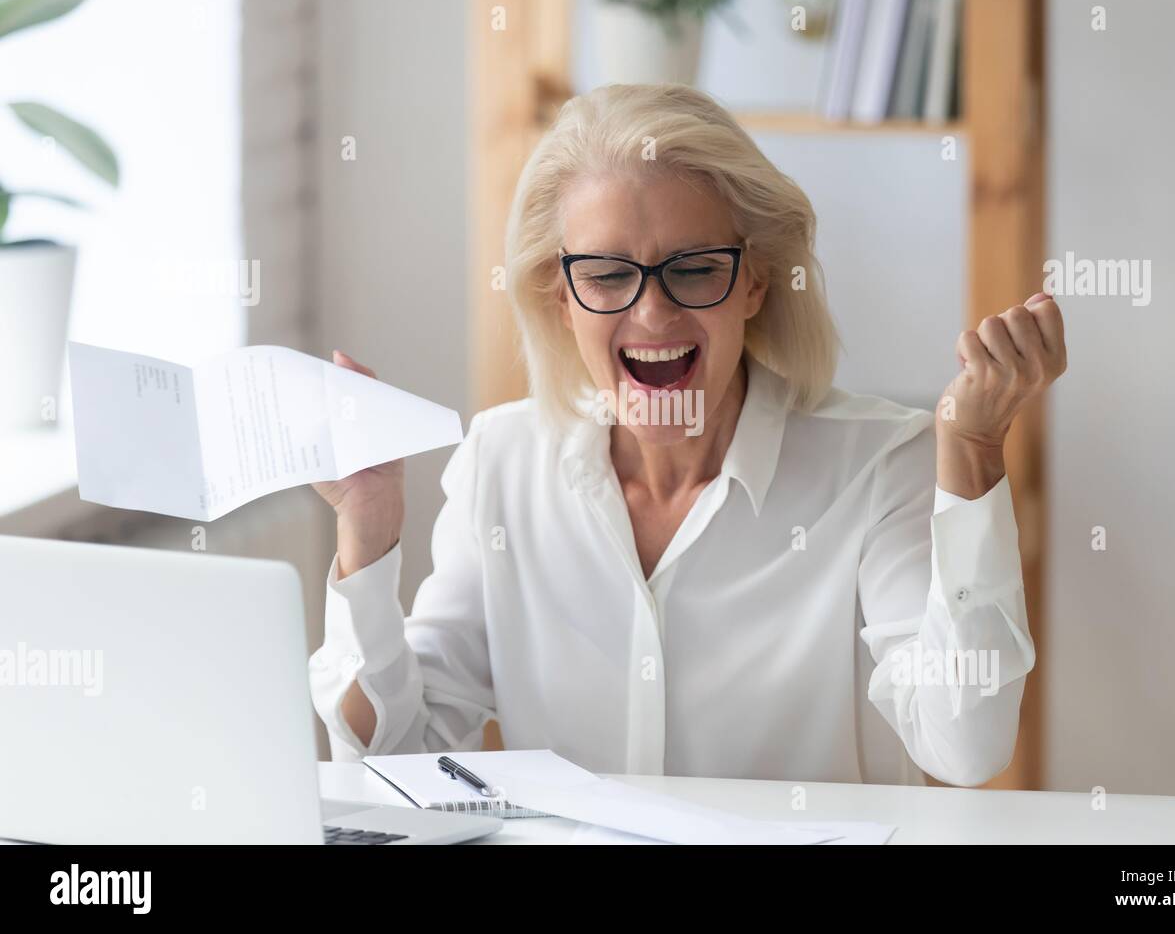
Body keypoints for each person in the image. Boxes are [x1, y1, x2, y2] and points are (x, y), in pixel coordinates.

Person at [309, 84, 1066, 787]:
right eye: (607, 275)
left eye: (695, 269)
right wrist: (365, 536)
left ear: (755, 283)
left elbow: (965, 746)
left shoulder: (877, 467)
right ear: (560, 296)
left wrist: (971, 453)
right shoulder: (501, 464)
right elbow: (393, 759)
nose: (653, 316)